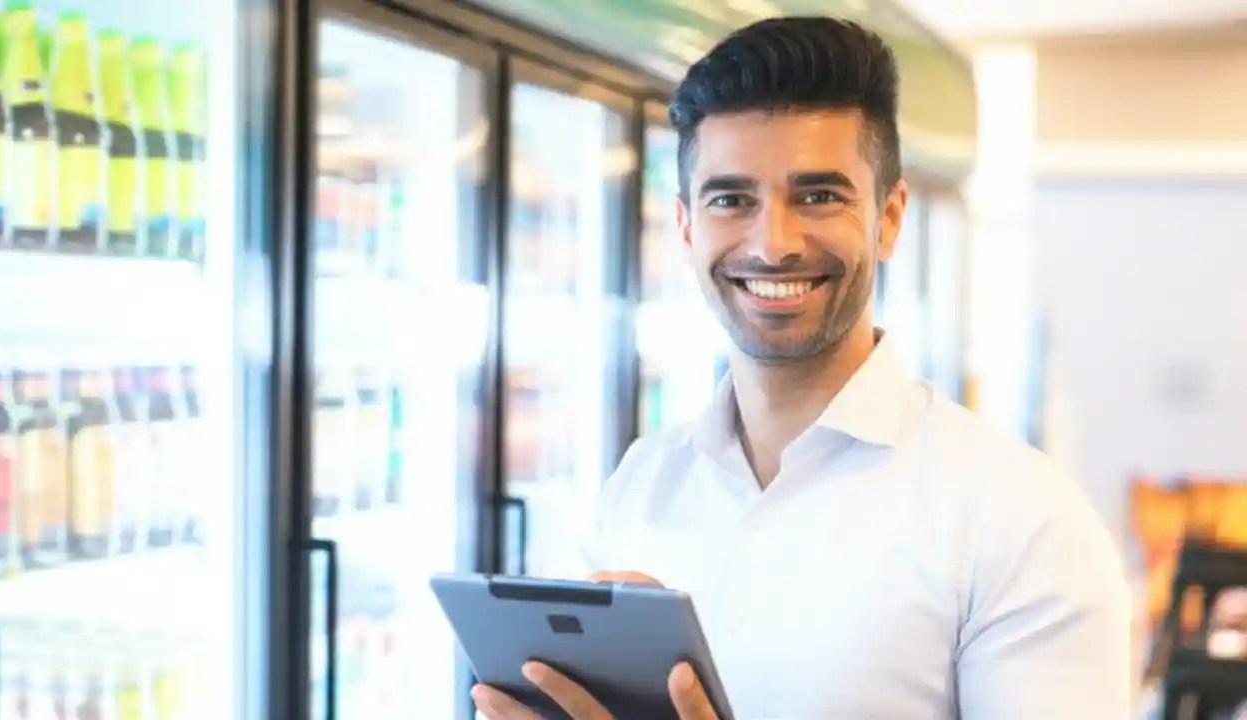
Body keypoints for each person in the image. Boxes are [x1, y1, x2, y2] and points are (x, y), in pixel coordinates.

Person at [473, 15, 1130, 720]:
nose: (774, 243)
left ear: (889, 217)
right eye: (731, 199)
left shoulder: (1021, 517)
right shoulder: (642, 482)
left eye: (819, 196)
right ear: (687, 225)